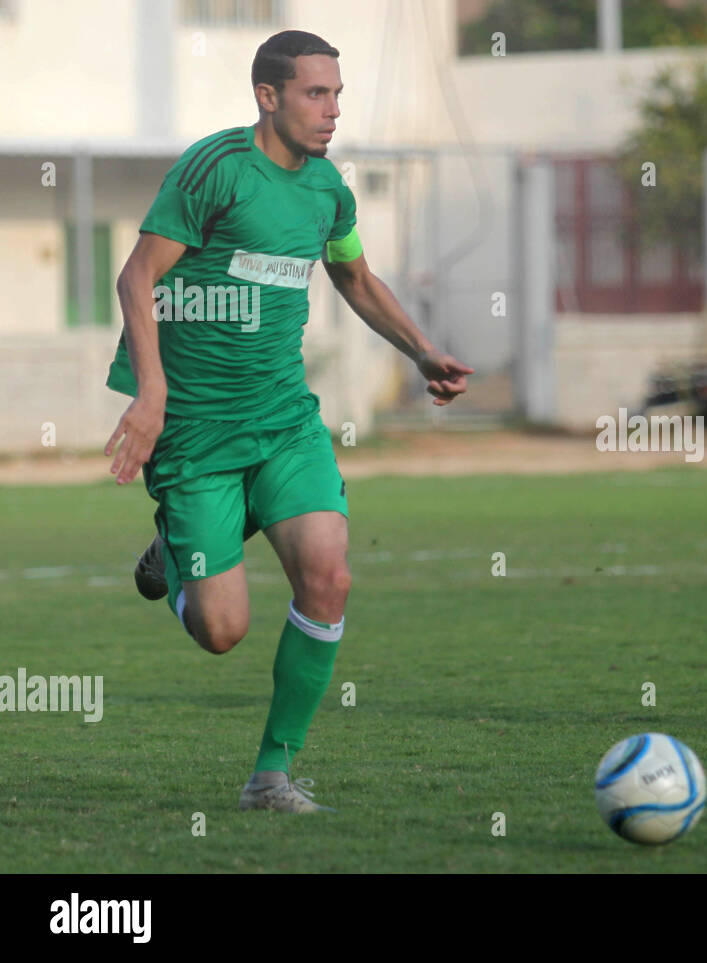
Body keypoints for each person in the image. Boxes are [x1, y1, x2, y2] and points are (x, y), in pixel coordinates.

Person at [104, 30, 473, 808]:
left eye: (337, 94)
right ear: (268, 97)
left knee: (330, 573)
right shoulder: (215, 169)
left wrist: (421, 351)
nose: (333, 110)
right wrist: (152, 392)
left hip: (284, 421)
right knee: (222, 630)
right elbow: (137, 277)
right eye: (316, 93)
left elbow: (355, 276)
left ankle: (271, 773)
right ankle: (176, 552)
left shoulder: (328, 189)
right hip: (197, 431)